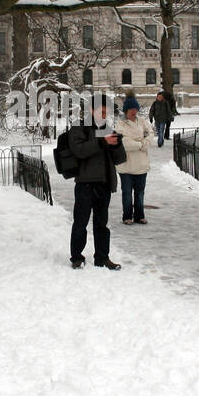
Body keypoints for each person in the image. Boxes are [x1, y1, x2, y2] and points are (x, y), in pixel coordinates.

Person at [69, 92, 127, 270]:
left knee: (102, 224)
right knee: (81, 223)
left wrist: (116, 145)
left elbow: (119, 159)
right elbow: (79, 150)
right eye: (101, 112)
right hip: (85, 183)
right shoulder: (79, 127)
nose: (104, 116)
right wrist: (102, 142)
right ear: (90, 110)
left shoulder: (107, 128)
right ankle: (77, 257)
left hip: (104, 183)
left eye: (106, 112)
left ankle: (102, 257)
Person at [114, 98, 153, 225]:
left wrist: (142, 143)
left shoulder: (142, 122)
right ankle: (127, 216)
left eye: (136, 109)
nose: (134, 112)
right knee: (127, 192)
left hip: (141, 164)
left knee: (140, 192)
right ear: (126, 110)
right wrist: (140, 144)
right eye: (131, 109)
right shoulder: (120, 124)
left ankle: (139, 215)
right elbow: (123, 142)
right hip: (126, 165)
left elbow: (150, 135)